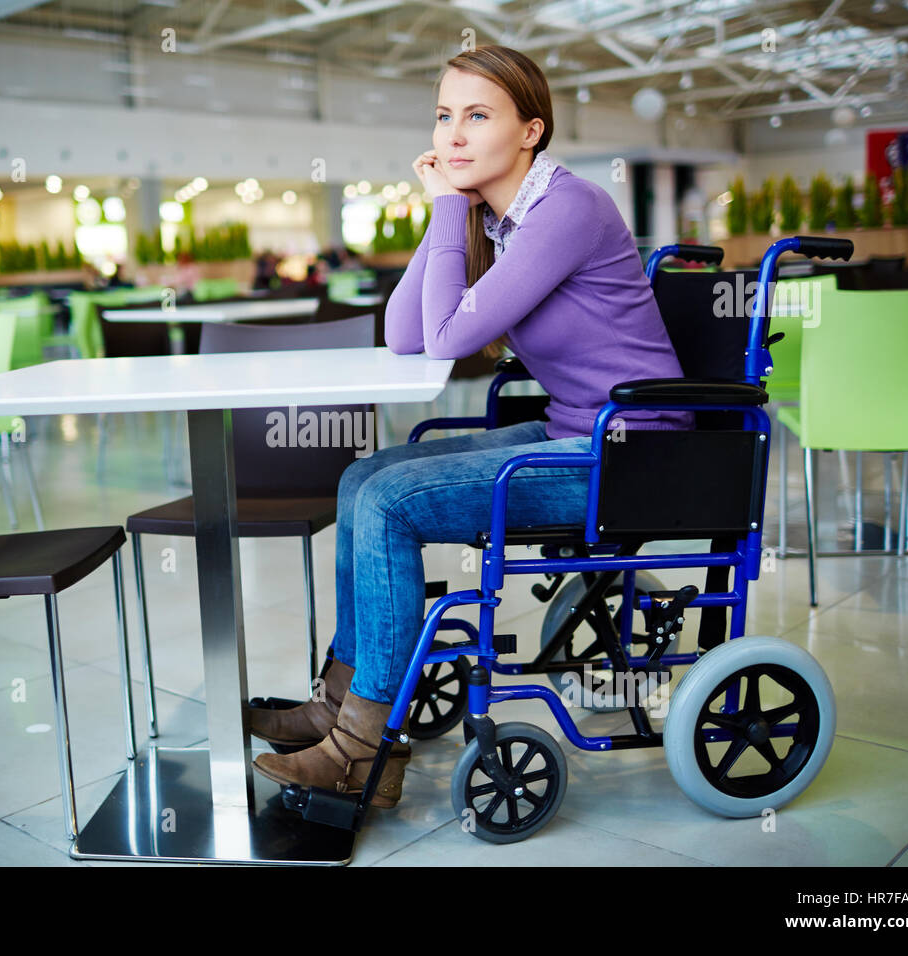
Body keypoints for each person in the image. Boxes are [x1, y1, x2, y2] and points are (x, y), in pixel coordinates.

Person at [250, 44, 693, 809]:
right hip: (571, 432)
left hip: (629, 453)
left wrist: (448, 206)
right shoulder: (499, 218)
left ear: (531, 131)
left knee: (390, 502)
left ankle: (363, 751)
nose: (453, 133)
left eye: (477, 115)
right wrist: (449, 215)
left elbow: (451, 338)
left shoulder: (571, 208)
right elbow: (401, 333)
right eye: (444, 115)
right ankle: (339, 704)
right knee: (362, 476)